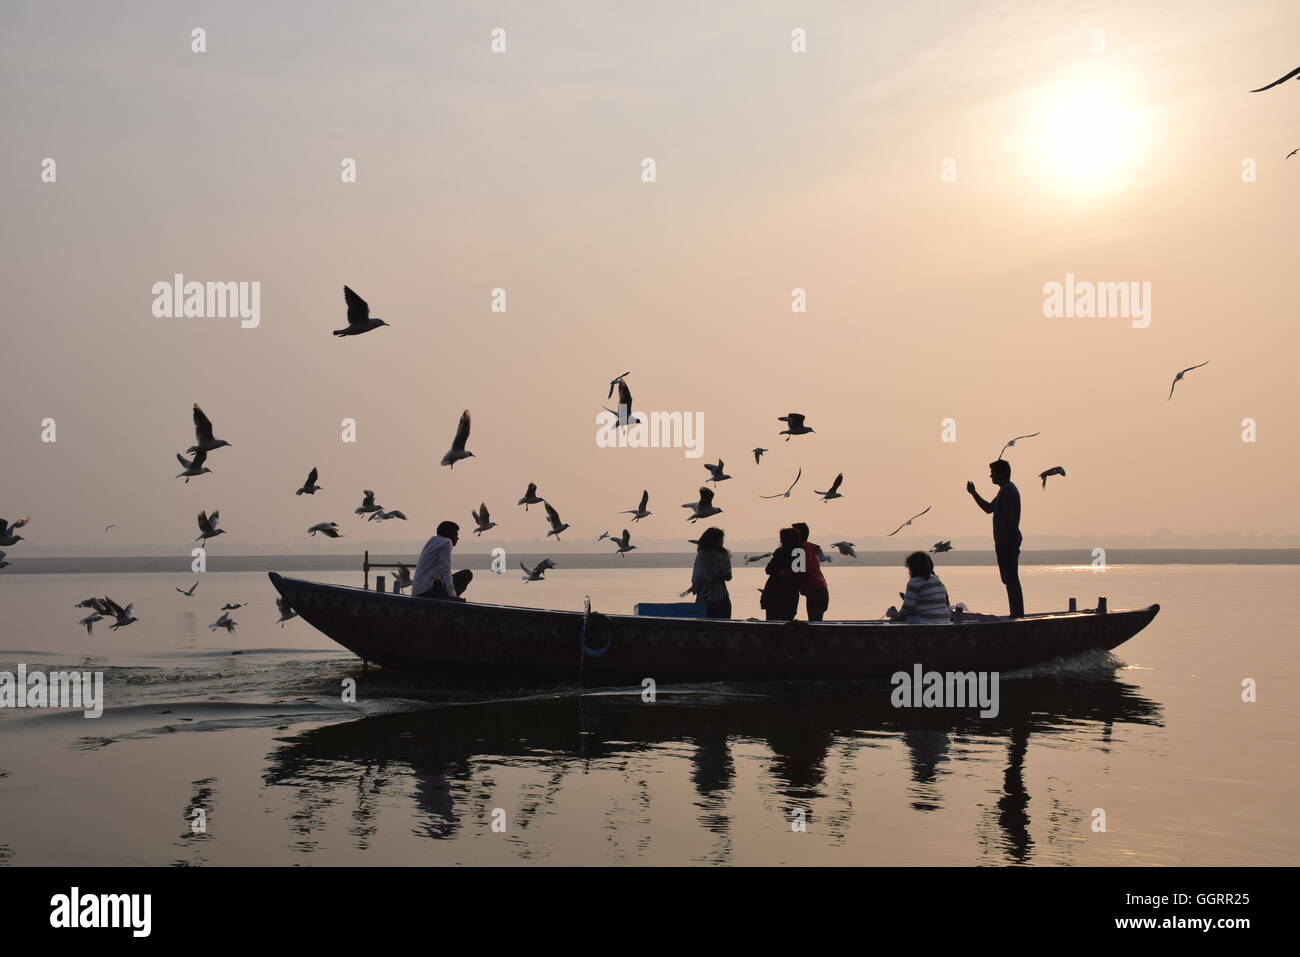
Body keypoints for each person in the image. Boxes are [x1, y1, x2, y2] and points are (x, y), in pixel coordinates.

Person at [966, 459, 1023, 617]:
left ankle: (1017, 615)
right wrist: (973, 493)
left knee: (1011, 580)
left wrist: (1002, 540)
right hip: (1004, 542)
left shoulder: (1009, 491)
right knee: (1008, 580)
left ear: (1002, 473)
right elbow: (988, 509)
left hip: (1008, 542)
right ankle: (1016, 614)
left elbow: (1010, 519)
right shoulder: (1003, 491)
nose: (990, 475)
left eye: (993, 472)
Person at [413, 520, 473, 600]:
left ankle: (448, 597)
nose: (457, 538)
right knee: (467, 574)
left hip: (418, 591)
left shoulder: (432, 541)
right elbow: (445, 570)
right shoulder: (446, 542)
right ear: (449, 534)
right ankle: (451, 600)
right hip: (427, 593)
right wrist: (453, 596)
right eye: (456, 534)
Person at [887, 551, 952, 622]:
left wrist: (897, 617)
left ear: (913, 568)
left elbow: (908, 609)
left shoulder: (914, 582)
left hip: (925, 622)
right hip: (944, 620)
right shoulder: (936, 580)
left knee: (899, 621)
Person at [688, 527, 733, 619]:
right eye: (721, 539)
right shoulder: (722, 555)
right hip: (721, 600)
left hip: (705, 599)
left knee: (704, 628)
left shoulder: (702, 555)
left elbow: (697, 577)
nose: (723, 542)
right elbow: (728, 576)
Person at [761, 527, 803, 621]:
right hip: (790, 593)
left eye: (782, 538)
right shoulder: (800, 553)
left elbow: (768, 569)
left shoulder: (780, 552)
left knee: (772, 623)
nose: (780, 540)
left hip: (775, 592)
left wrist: (779, 571)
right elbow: (800, 573)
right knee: (787, 623)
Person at [792, 521, 829, 621]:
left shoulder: (802, 548)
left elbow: (805, 568)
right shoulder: (808, 547)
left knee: (814, 624)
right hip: (819, 590)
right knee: (816, 622)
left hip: (815, 591)